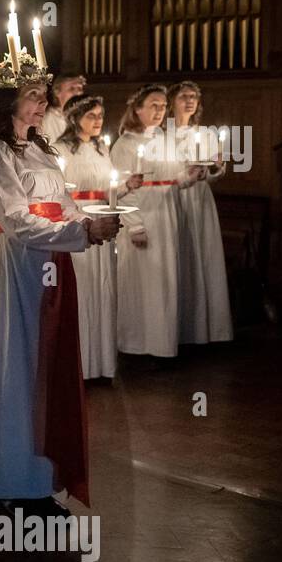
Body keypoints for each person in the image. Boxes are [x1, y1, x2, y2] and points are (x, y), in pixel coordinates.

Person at [0, 55, 121, 516]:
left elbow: (63, 204)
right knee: (17, 371)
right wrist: (80, 233)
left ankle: (41, 482)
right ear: (7, 100)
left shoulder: (41, 150)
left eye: (42, 96)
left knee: (47, 370)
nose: (42, 105)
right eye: (33, 96)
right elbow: (17, 223)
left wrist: (89, 222)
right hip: (18, 266)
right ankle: (10, 485)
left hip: (51, 265)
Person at [54, 95, 140, 379]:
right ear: (75, 117)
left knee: (103, 292)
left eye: (101, 115)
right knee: (83, 292)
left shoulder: (102, 148)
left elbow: (107, 189)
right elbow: (59, 192)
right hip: (78, 221)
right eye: (91, 115)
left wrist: (125, 186)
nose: (98, 121)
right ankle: (79, 365)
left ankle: (101, 364)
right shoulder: (60, 149)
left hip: (101, 219)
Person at [113, 84, 186, 359]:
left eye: (163, 105)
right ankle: (136, 344)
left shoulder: (166, 141)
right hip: (143, 215)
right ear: (138, 108)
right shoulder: (125, 144)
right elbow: (119, 186)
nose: (160, 110)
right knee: (140, 282)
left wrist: (192, 175)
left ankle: (163, 344)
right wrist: (134, 224)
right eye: (153, 105)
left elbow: (177, 176)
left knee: (164, 281)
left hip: (165, 215)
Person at [167, 81, 234, 345]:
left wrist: (215, 167)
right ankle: (179, 330)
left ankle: (207, 330)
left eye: (194, 96)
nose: (189, 101)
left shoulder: (205, 134)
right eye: (184, 96)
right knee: (181, 257)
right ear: (173, 100)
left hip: (200, 199)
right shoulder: (164, 134)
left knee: (203, 256)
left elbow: (216, 172)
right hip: (176, 197)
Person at [40, 72, 86, 143]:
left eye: (80, 88)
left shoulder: (82, 117)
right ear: (57, 92)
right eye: (72, 89)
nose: (78, 93)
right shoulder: (49, 119)